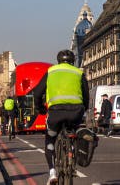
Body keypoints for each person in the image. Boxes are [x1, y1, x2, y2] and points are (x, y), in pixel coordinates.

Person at [33, 49, 90, 185]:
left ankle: (52, 172)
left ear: (58, 61)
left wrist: (40, 108)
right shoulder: (78, 72)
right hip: (76, 113)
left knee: (50, 139)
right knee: (73, 130)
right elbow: (86, 95)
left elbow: (37, 93)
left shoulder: (51, 71)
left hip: (56, 113)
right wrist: (84, 108)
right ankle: (72, 152)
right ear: (73, 61)